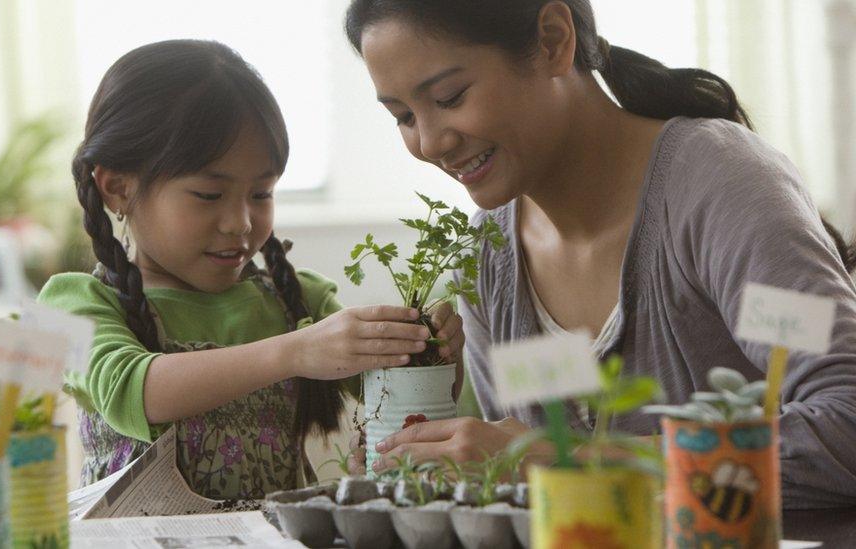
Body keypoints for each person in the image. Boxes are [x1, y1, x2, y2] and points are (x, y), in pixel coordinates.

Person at [344, 0, 856, 510]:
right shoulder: (489, 257)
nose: (430, 143)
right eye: (404, 117)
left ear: (553, 40)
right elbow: (531, 474)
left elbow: (845, 421)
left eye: (450, 97)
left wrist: (564, 461)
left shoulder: (719, 190)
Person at [37, 39, 464, 499]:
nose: (240, 222)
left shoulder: (301, 301)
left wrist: (431, 352)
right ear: (118, 188)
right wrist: (294, 352)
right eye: (209, 195)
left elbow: (399, 396)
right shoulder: (73, 304)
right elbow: (131, 392)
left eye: (261, 194)